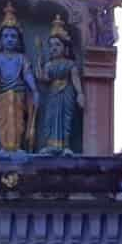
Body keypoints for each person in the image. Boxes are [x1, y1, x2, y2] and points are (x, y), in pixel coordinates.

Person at [0, 2, 39, 154]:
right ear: (0, 40)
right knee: (4, 121)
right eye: (6, 36)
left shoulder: (21, 58)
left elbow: (27, 74)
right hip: (2, 93)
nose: (10, 39)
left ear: (19, 40)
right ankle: (5, 147)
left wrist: (35, 90)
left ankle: (16, 147)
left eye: (13, 36)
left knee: (18, 121)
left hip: (19, 93)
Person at [37, 16, 84, 156]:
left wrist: (80, 94)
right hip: (52, 94)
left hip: (66, 93)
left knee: (66, 119)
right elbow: (44, 78)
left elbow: (75, 79)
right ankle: (50, 145)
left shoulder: (70, 64)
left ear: (65, 47)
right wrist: (39, 60)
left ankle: (66, 145)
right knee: (50, 119)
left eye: (57, 45)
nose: (54, 48)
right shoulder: (49, 65)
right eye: (51, 46)